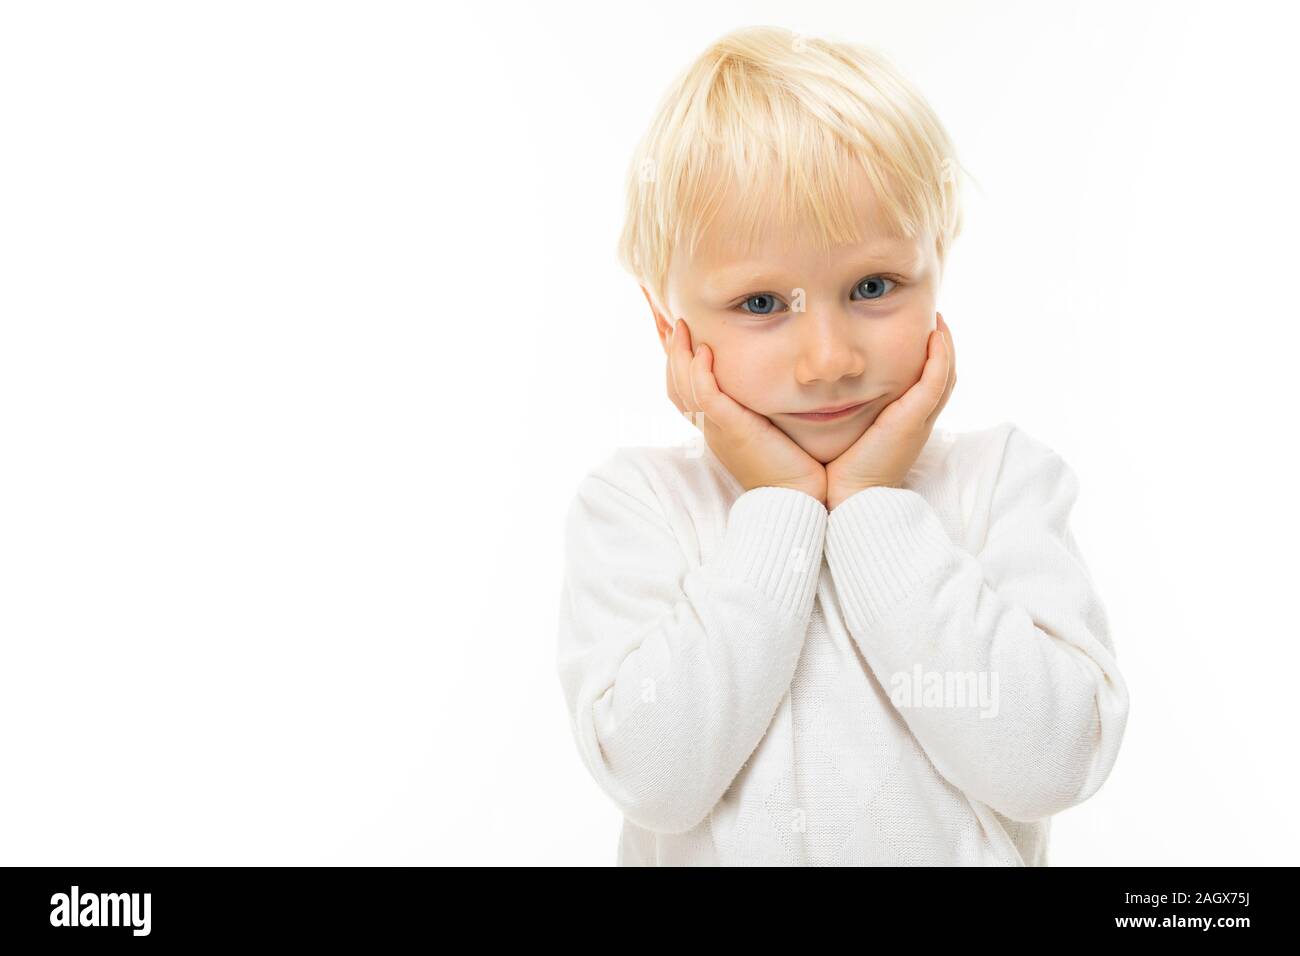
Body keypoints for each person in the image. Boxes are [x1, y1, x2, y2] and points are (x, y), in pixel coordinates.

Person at [556, 24, 1129, 865]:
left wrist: (870, 508)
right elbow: (655, 777)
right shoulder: (636, 509)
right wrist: (782, 505)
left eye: (873, 287)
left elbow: (1055, 761)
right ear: (666, 326)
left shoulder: (1003, 483)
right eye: (761, 304)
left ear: (938, 270)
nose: (829, 361)